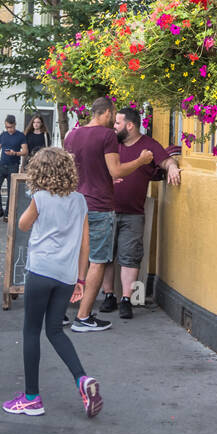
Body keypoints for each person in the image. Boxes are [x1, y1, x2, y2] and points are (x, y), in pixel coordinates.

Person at [2, 146, 101, 418]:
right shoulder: (80, 200)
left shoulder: (40, 198)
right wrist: (80, 279)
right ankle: (81, 378)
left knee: (31, 331)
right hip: (67, 275)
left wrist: (35, 209)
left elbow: (22, 224)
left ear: (40, 172)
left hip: (41, 271)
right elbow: (85, 244)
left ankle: (32, 397)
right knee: (55, 330)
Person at [63, 97, 152, 333]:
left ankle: (60, 311)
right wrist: (141, 161)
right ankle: (83, 317)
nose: (114, 122)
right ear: (108, 112)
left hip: (74, 205)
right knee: (98, 261)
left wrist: (106, 177)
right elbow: (116, 169)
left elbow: (75, 170)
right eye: (113, 115)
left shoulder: (72, 135)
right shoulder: (107, 136)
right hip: (99, 207)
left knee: (73, 259)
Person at [100, 108, 180, 319]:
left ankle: (126, 299)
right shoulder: (111, 144)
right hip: (106, 210)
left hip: (134, 212)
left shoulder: (149, 145)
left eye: (117, 123)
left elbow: (165, 160)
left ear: (130, 125)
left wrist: (172, 167)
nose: (114, 126)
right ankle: (108, 295)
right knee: (106, 255)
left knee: (130, 256)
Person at [0, 115, 28, 220]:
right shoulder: (3, 135)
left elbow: (25, 151)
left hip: (13, 166)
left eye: (11, 127)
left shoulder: (20, 136)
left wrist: (15, 153)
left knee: (11, 191)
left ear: (15, 125)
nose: (9, 129)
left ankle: (7, 214)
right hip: (2, 165)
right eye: (7, 127)